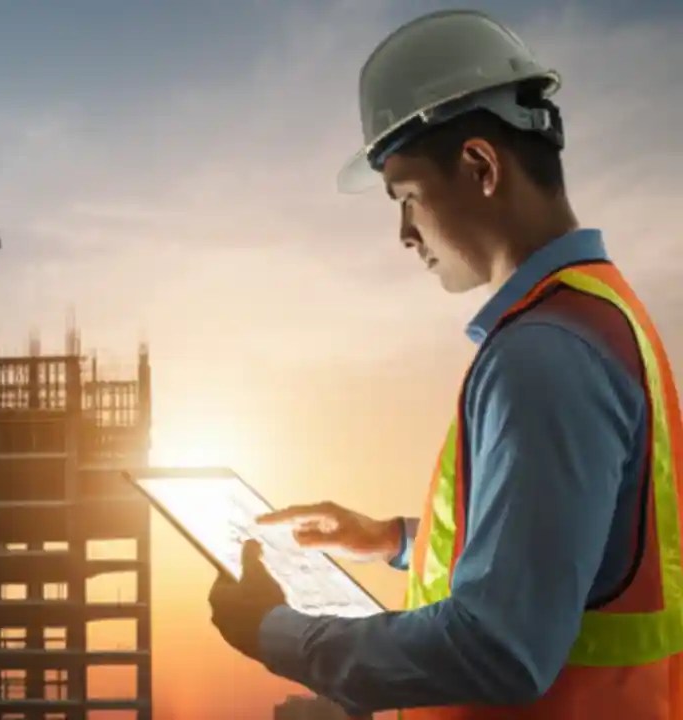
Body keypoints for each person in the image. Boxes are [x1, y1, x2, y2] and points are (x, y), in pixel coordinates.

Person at [207, 9, 683, 719]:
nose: (404, 233)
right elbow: (568, 544)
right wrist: (391, 540)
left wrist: (280, 632)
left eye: (406, 197)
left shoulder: (544, 357)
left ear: (481, 167)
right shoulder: (597, 314)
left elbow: (500, 646)